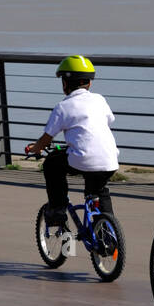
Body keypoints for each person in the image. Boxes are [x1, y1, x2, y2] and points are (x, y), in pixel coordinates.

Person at [24, 56, 119, 226]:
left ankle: (57, 210)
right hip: (110, 160)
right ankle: (108, 237)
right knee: (98, 191)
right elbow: (108, 121)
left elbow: (47, 138)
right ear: (89, 83)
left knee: (52, 164)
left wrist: (35, 148)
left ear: (65, 84)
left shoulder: (63, 107)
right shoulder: (100, 100)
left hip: (82, 159)